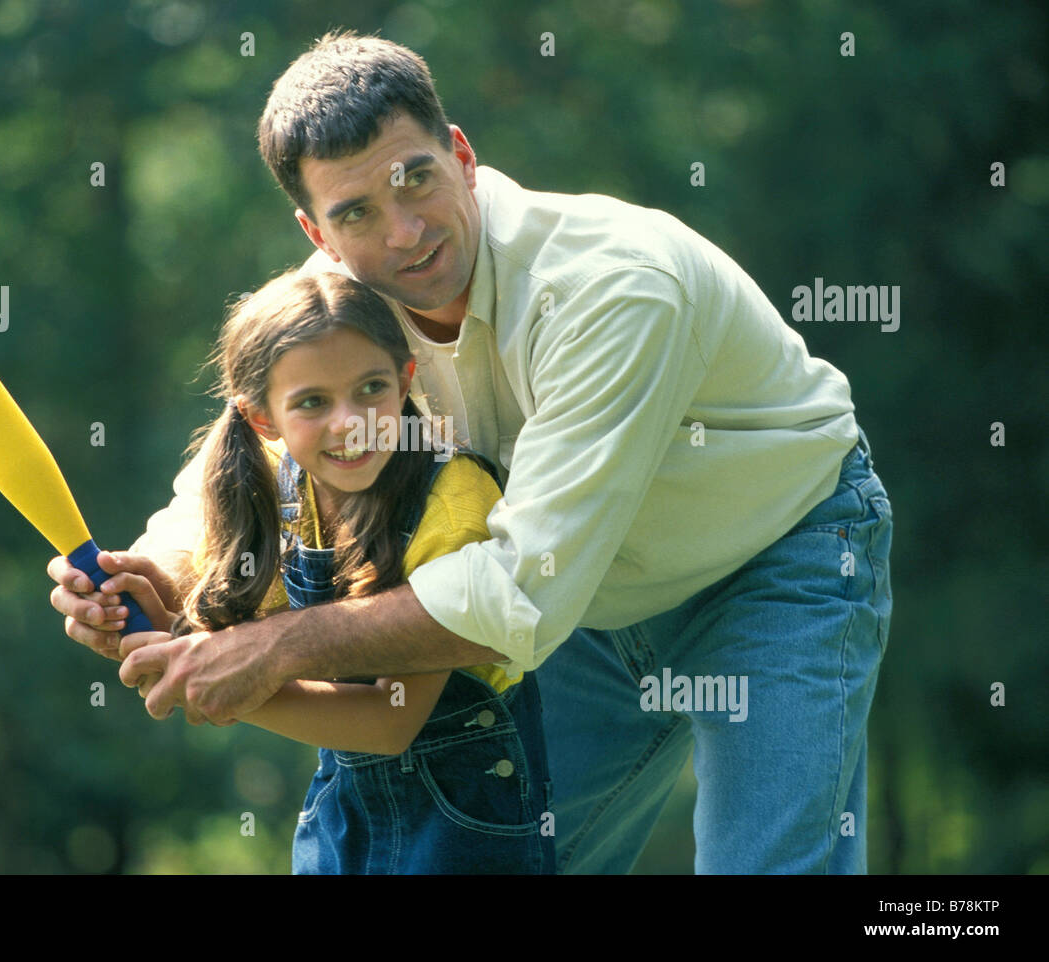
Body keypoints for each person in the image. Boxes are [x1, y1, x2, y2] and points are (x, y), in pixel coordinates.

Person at [52, 30, 893, 874]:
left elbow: (518, 595)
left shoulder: (615, 288)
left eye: (415, 177)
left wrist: (277, 645)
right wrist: (156, 568)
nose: (406, 232)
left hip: (776, 555)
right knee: (505, 859)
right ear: (317, 230)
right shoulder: (343, 294)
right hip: (581, 602)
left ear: (461, 155)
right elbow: (246, 453)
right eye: (356, 214)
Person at [104, 268, 554, 874]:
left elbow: (391, 718)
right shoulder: (276, 485)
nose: (351, 422)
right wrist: (143, 609)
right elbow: (213, 612)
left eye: (371, 388)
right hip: (341, 813)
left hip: (467, 828)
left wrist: (222, 682)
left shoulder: (453, 504)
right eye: (312, 402)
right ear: (263, 418)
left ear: (405, 381)